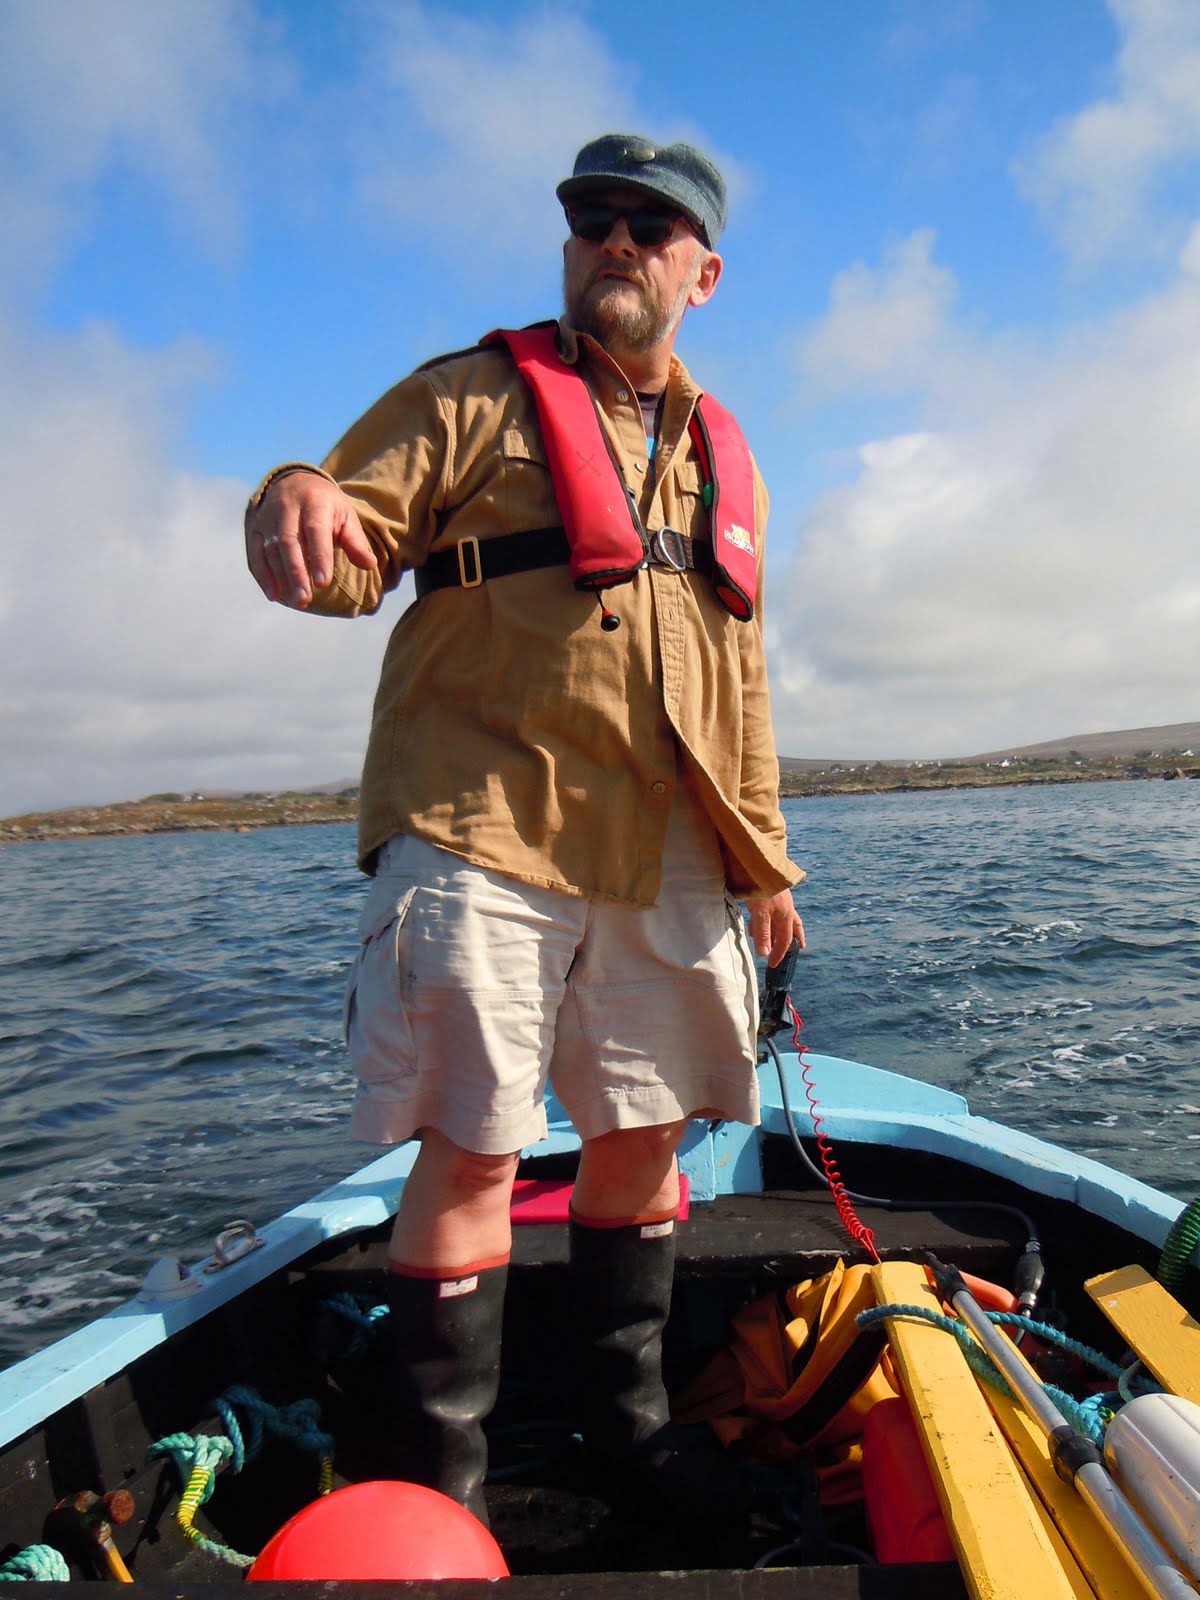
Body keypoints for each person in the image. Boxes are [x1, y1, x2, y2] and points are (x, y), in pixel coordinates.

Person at [244, 132, 804, 1526]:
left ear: (703, 273)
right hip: (480, 820)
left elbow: (742, 680)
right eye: (593, 220)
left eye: (648, 227)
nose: (616, 240)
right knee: (477, 1148)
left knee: (644, 1137)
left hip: (672, 847)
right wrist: (289, 498)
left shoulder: (726, 453)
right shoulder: (471, 395)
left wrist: (766, 856)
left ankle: (627, 1429)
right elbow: (335, 530)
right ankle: (439, 1487)